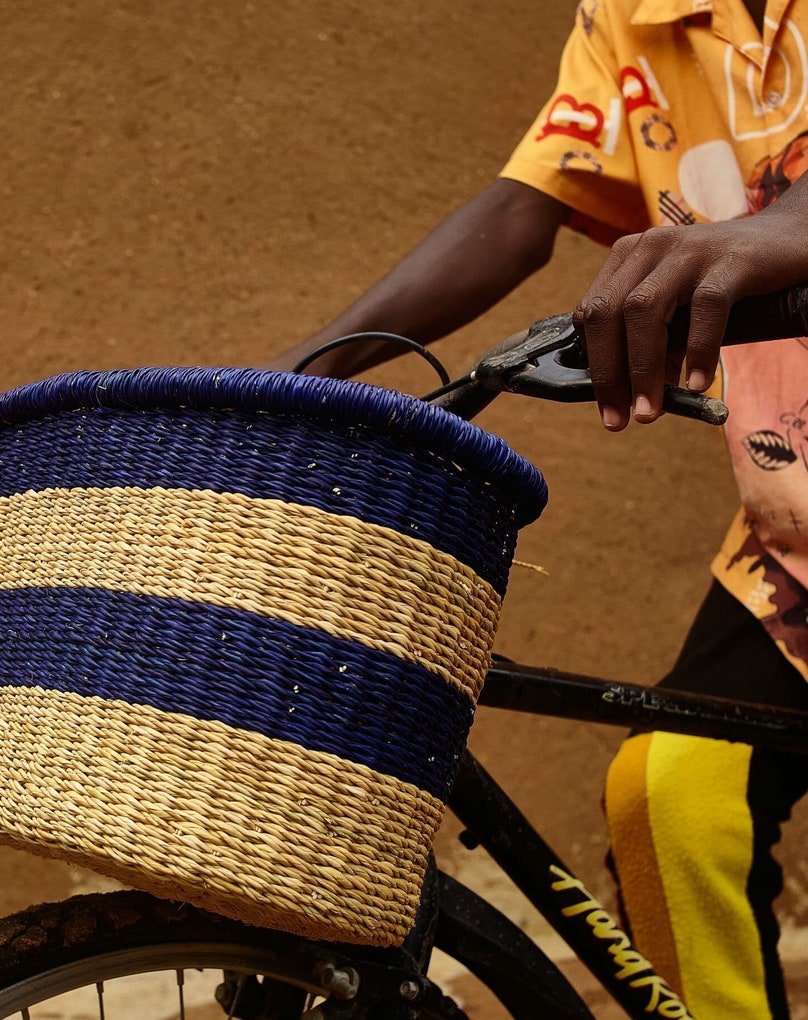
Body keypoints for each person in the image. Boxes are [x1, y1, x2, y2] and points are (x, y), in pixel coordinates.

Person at [266, 1, 808, 1016]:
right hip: (794, 530)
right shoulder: (635, 18)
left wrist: (784, 225)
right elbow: (527, 205)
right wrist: (301, 377)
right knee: (673, 794)